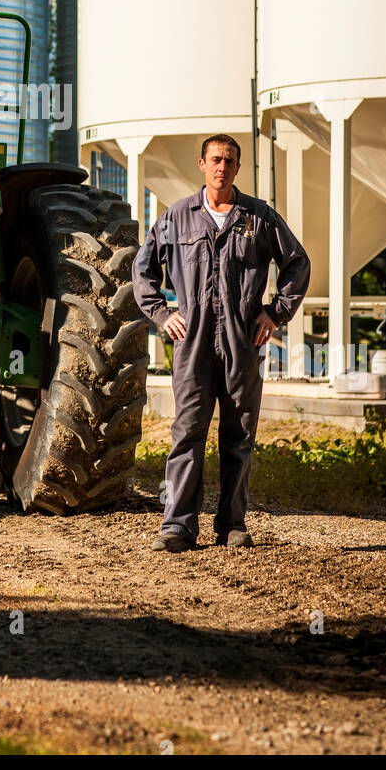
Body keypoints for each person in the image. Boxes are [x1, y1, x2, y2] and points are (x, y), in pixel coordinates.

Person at [132, 134, 310, 552]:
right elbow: (143, 271)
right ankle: (177, 525)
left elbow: (297, 264)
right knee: (187, 432)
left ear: (237, 167)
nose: (221, 167)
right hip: (191, 342)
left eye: (229, 161)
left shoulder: (259, 218)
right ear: (201, 164)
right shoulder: (177, 217)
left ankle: (232, 524)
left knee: (239, 435)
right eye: (215, 159)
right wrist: (162, 313)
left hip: (241, 343)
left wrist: (275, 312)